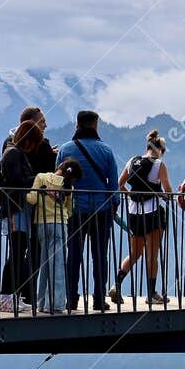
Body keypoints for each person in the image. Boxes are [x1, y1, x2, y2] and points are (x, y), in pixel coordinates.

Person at [57, 109, 117, 312]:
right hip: (101, 210)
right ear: (95, 125)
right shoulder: (106, 151)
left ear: (77, 125)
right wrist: (113, 206)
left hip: (74, 210)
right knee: (100, 256)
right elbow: (114, 185)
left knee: (73, 255)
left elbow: (58, 181)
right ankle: (99, 298)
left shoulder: (65, 150)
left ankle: (71, 298)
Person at [0, 120, 53, 312]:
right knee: (16, 253)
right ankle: (6, 298)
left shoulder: (16, 153)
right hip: (15, 209)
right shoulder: (13, 154)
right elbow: (16, 181)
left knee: (19, 253)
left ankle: (12, 295)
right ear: (28, 140)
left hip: (20, 209)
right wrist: (38, 180)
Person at [111, 131, 171, 306]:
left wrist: (130, 196)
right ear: (160, 149)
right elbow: (168, 190)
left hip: (134, 212)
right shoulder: (159, 165)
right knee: (152, 255)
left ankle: (117, 283)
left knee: (134, 253)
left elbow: (119, 184)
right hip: (153, 212)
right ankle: (151, 293)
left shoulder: (132, 161)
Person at [27, 158, 79, 313]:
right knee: (58, 265)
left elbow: (32, 199)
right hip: (59, 224)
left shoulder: (41, 177)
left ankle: (41, 302)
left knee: (44, 264)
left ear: (60, 166)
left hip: (42, 224)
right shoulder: (68, 186)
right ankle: (55, 304)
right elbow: (70, 211)